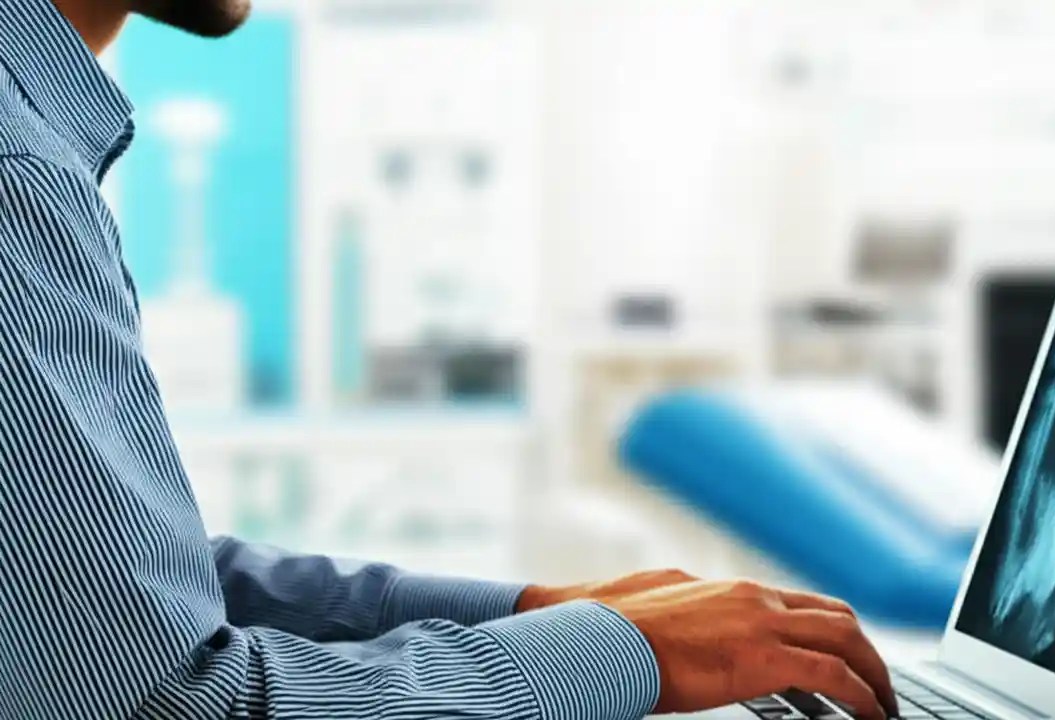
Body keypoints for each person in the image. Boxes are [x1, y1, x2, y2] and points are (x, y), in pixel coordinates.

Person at [0, 0, 898, 718]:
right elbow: (170, 700)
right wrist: (627, 654)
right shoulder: (19, 173)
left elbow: (116, 598)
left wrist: (534, 614)